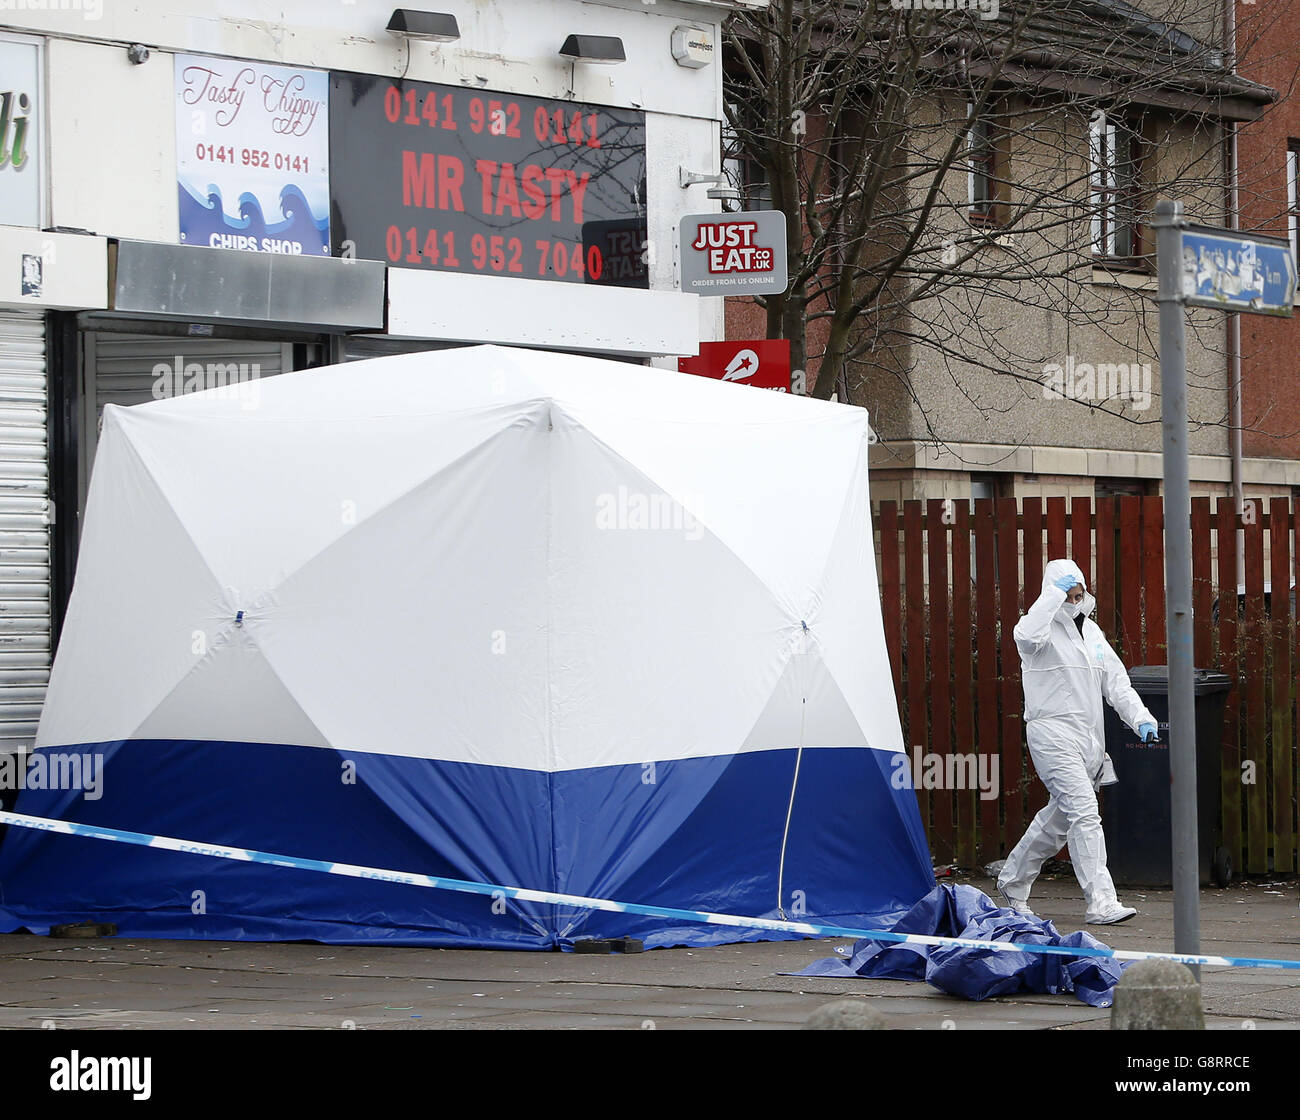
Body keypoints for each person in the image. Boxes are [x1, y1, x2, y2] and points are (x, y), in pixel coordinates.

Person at [997, 558, 1158, 924]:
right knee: (1085, 813)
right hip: (1052, 735)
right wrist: (1052, 595)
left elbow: (1116, 683)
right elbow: (1024, 634)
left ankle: (1012, 882)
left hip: (1088, 741)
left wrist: (1142, 720)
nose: (1074, 596)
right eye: (1066, 590)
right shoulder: (1038, 634)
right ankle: (1101, 901)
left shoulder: (1092, 634)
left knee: (1057, 823)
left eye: (1077, 589)